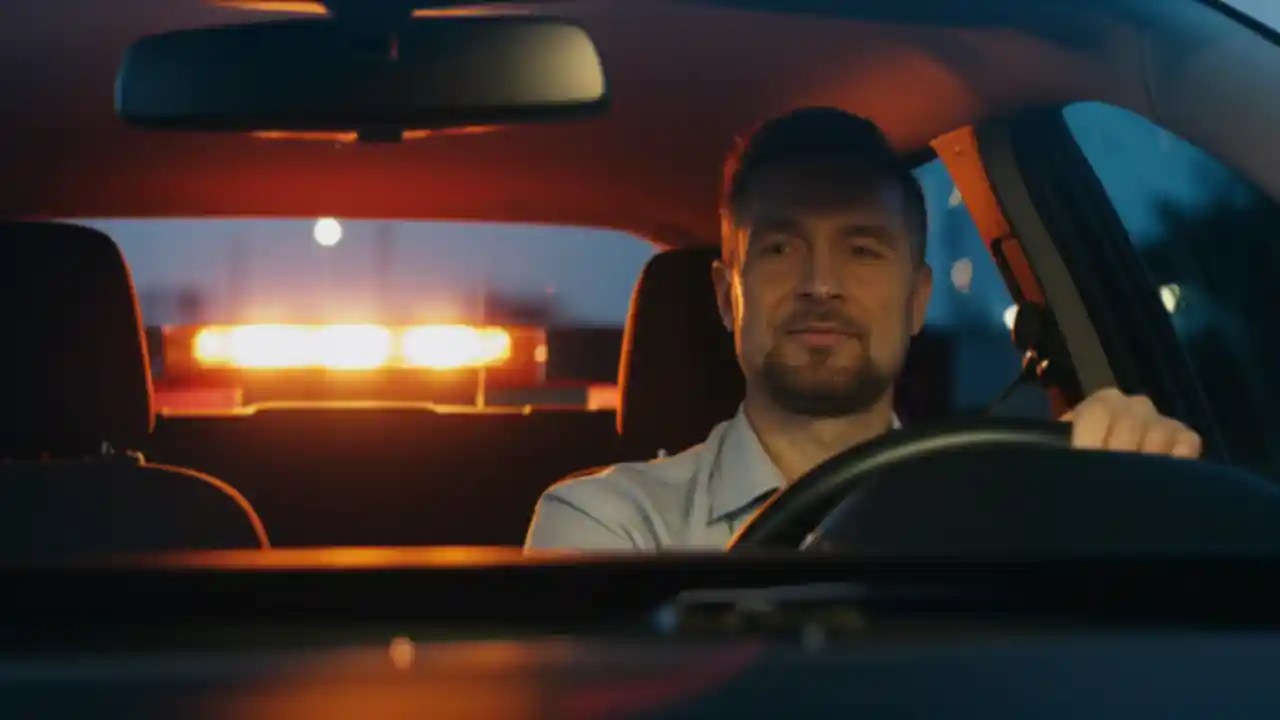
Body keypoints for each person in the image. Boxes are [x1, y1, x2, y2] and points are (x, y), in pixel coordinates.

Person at [525, 107, 1203, 551]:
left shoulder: (1005, 519)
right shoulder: (608, 525)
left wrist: (1139, 493)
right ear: (726, 299)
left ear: (916, 300)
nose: (821, 283)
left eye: (863, 250)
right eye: (782, 248)